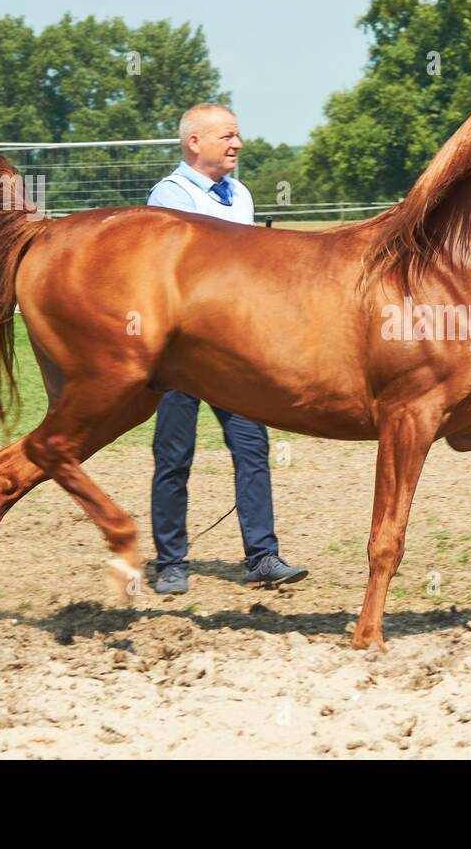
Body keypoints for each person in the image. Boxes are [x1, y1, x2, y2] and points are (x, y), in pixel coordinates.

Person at [144, 103, 308, 594]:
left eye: (237, 136)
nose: (238, 144)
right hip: (181, 354)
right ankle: (171, 562)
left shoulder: (241, 196)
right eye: (227, 136)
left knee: (252, 448)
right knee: (174, 455)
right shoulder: (168, 196)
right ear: (195, 142)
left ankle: (262, 555)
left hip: (235, 353)